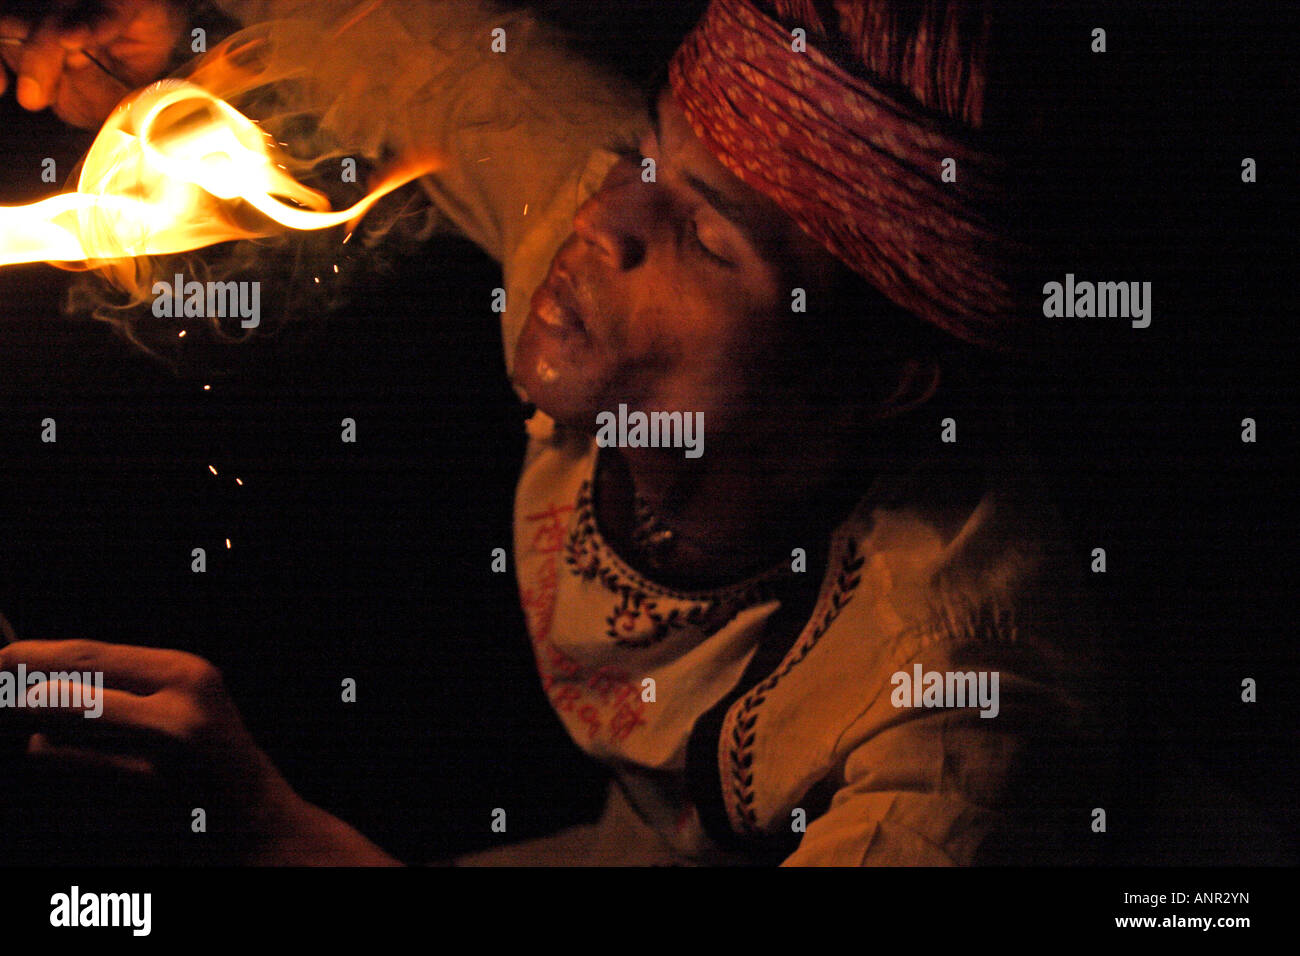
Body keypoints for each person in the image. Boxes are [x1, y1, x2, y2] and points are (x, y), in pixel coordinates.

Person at [0, 0, 1115, 865]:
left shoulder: (955, 734)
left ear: (884, 379)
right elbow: (403, 43)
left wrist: (266, 830)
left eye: (706, 237)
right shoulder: (608, 249)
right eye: (648, 158)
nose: (602, 218)